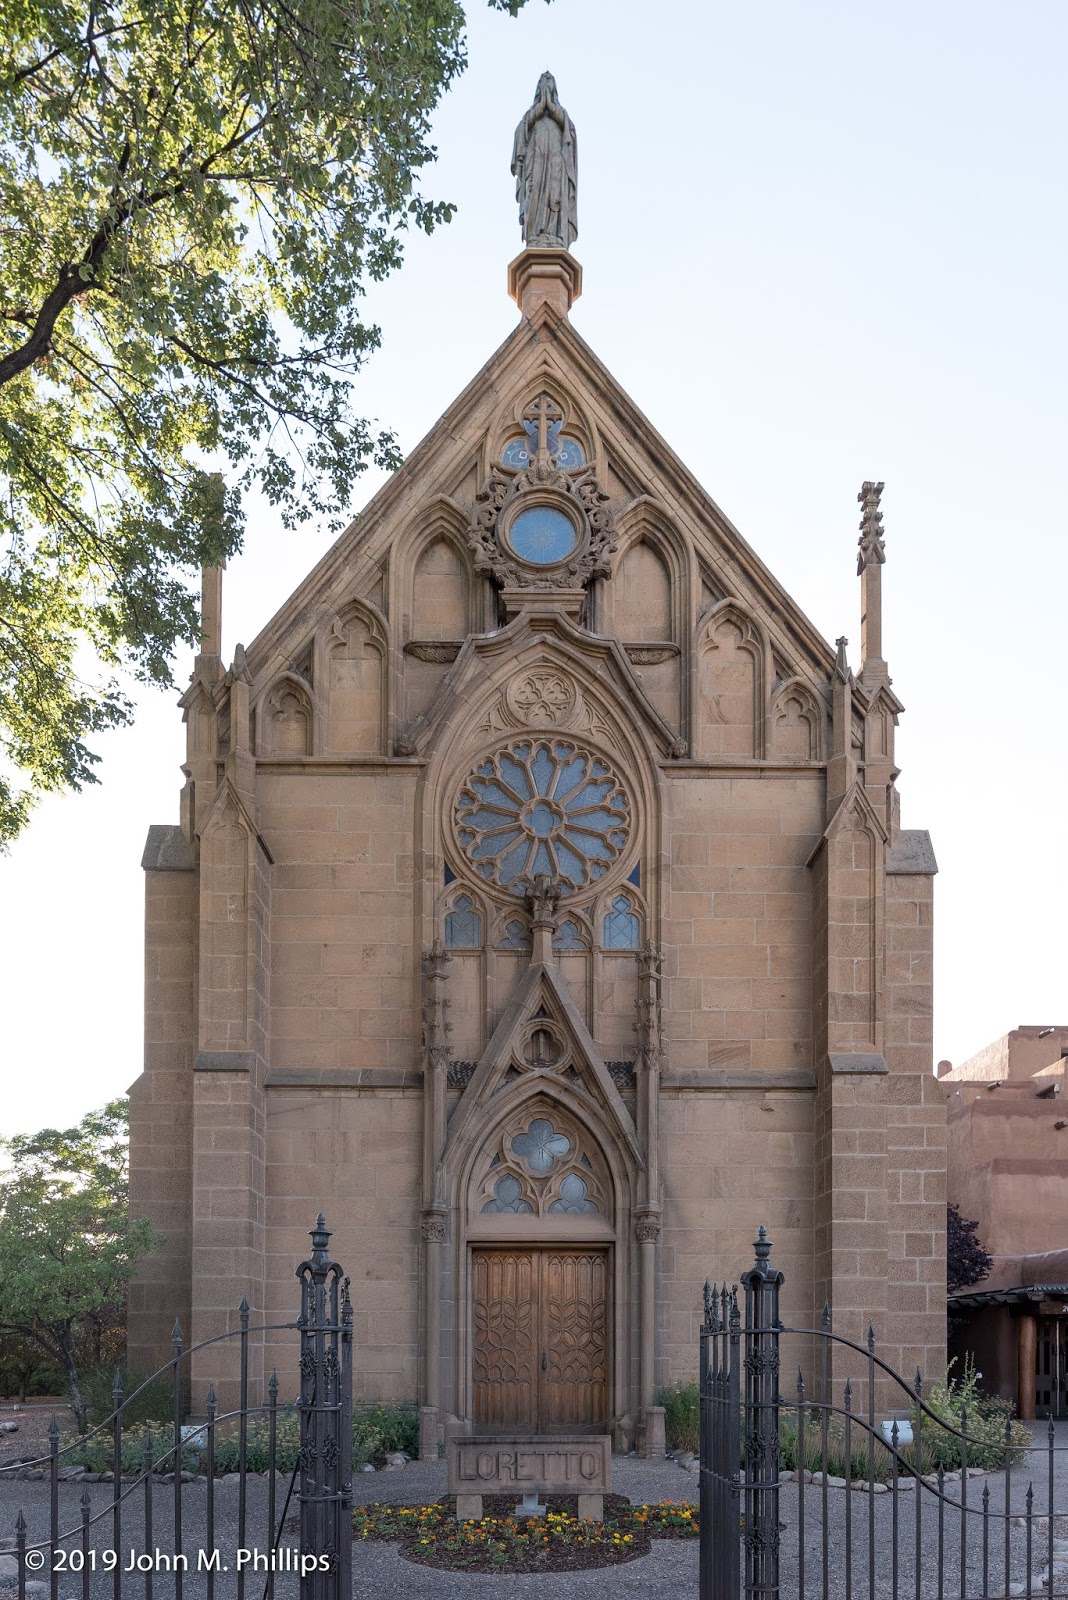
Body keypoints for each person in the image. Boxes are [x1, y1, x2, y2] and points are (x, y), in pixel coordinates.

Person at [511, 72, 578, 249]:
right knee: (534, 192)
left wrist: (552, 108)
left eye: (550, 81)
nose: (546, 84)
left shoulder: (562, 118)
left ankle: (553, 233)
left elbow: (570, 135)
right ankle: (534, 234)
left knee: (554, 195)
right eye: (543, 81)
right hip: (536, 162)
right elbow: (520, 135)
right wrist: (540, 108)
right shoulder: (530, 117)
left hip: (556, 163)